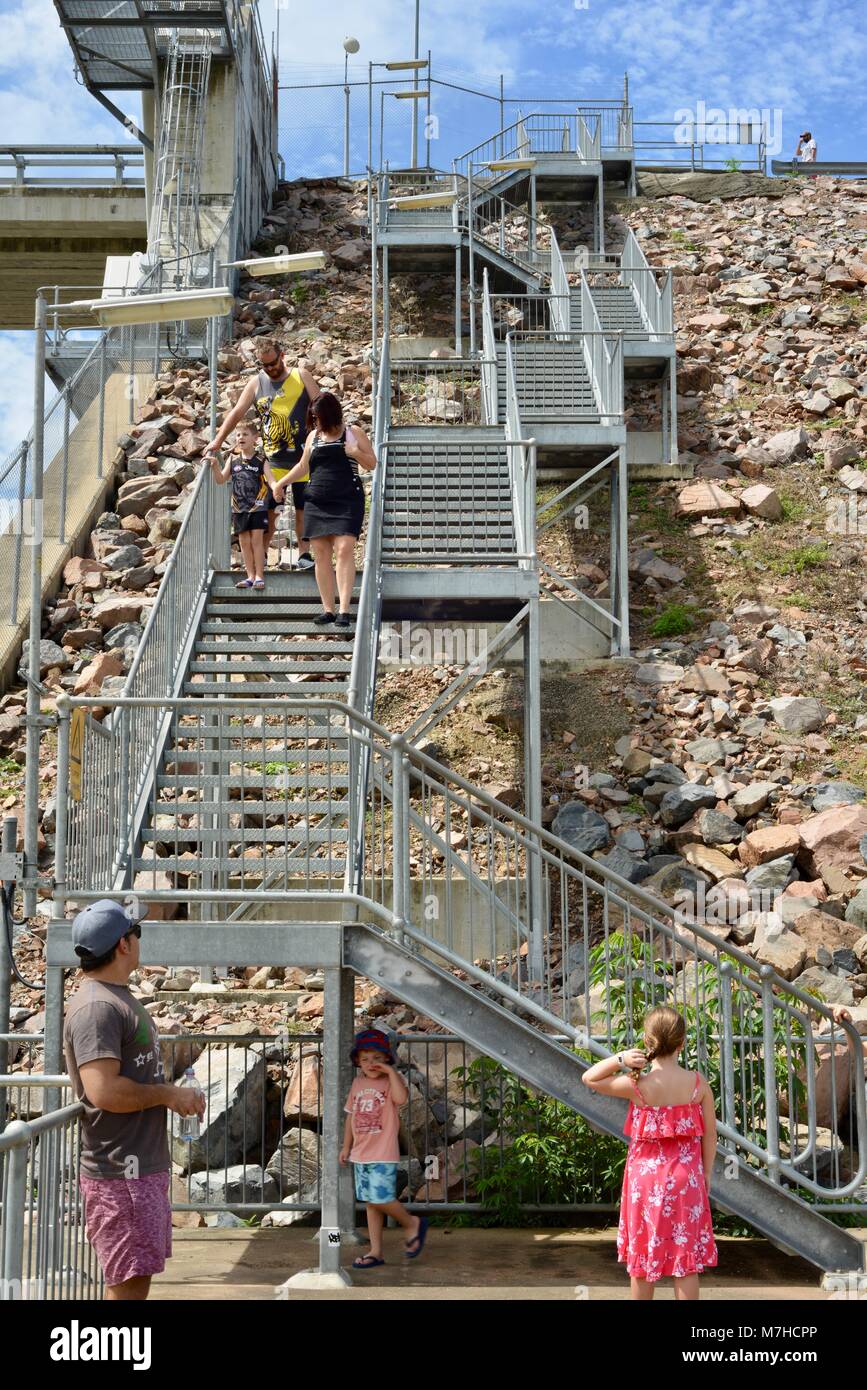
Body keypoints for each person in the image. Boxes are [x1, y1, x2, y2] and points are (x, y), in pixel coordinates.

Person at [62, 899, 206, 1301]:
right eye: (136, 932)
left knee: (135, 1281)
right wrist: (168, 1095)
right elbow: (103, 1090)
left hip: (137, 1170)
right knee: (127, 1287)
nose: (140, 939)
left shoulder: (114, 998)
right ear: (123, 944)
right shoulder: (97, 1007)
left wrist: (173, 1094)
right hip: (122, 1174)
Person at [582, 1005, 717, 1300]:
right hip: (686, 1179)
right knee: (685, 1262)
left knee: (643, 1260)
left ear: (647, 1042)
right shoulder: (697, 1084)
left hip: (645, 1181)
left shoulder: (638, 1086)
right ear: (683, 1042)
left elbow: (589, 1078)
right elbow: (710, 1135)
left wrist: (620, 1059)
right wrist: (705, 1174)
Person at [204, 338, 320, 570]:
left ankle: (304, 554)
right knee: (269, 510)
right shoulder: (257, 383)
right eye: (264, 365)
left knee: (303, 508)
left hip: (305, 458)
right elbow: (237, 413)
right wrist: (217, 441)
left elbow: (322, 407)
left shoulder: (301, 376)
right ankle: (263, 554)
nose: (270, 369)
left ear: (282, 356)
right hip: (274, 460)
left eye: (273, 363)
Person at [274, 392, 376, 629]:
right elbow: (303, 466)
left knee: (344, 549)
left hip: (347, 499)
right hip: (317, 501)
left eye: (318, 417)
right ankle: (328, 609)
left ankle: (344, 610)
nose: (315, 421)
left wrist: (355, 452)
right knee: (320, 553)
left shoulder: (353, 433)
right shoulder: (313, 436)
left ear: (330, 415)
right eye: (313, 417)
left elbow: (372, 463)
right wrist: (281, 483)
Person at [339, 1028, 428, 1269]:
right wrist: (346, 1146)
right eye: (365, 1059)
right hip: (361, 1152)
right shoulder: (357, 1083)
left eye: (377, 1058)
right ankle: (376, 1251)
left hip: (383, 1152)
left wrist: (391, 1072)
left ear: (386, 1059)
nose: (371, 1063)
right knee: (371, 1202)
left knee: (380, 1197)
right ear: (357, 1061)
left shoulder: (390, 1081)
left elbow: (402, 1099)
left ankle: (412, 1224)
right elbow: (350, 1117)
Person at [209, 420, 276, 590]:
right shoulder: (233, 460)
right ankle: (250, 576)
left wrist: (277, 490)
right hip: (239, 508)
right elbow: (220, 480)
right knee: (244, 543)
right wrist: (216, 466)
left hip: (258, 507)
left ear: (255, 438)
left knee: (256, 541)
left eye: (245, 434)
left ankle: (260, 575)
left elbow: (272, 480)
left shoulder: (261, 460)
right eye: (238, 434)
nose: (241, 437)